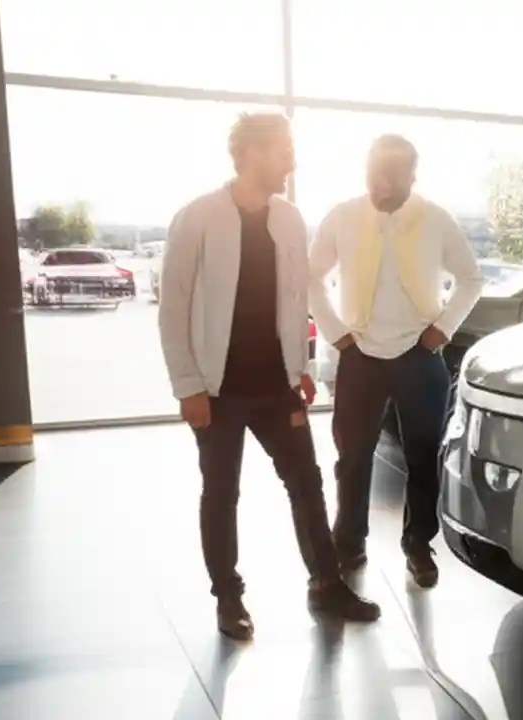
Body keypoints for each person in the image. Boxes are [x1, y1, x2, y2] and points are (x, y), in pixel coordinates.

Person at [159, 112, 381, 640]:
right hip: (216, 390)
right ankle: (228, 598)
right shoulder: (197, 217)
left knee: (306, 483)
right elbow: (173, 308)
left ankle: (327, 583)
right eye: (283, 151)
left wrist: (298, 367)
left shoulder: (288, 219)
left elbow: (293, 298)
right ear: (252, 153)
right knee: (221, 492)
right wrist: (187, 385)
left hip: (275, 385)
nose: (291, 161)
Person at [308, 134, 483, 589]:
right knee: (352, 458)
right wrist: (337, 335)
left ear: (411, 175)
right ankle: (349, 543)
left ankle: (418, 545)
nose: (378, 180)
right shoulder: (343, 216)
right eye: (372, 169)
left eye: (390, 172)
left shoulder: (434, 219)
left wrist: (441, 330)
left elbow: (470, 278)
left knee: (424, 457)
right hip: (358, 354)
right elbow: (308, 279)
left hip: (419, 355)